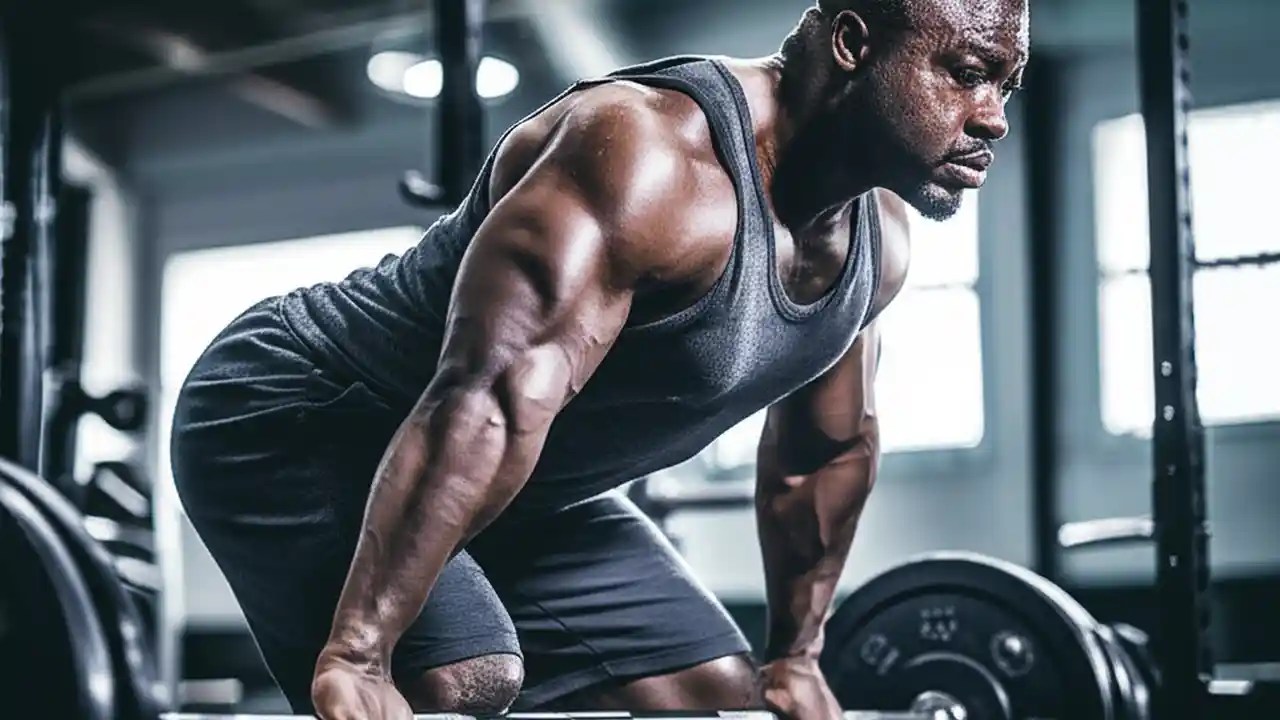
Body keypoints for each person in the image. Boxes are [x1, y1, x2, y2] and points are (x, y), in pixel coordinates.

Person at [170, 0, 1029, 718]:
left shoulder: (878, 245)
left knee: (716, 701)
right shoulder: (653, 161)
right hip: (297, 413)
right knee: (459, 680)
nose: (993, 116)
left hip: (515, 480)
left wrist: (794, 657)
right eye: (966, 73)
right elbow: (494, 399)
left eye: (1007, 85)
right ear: (852, 44)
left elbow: (822, 454)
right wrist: (360, 652)